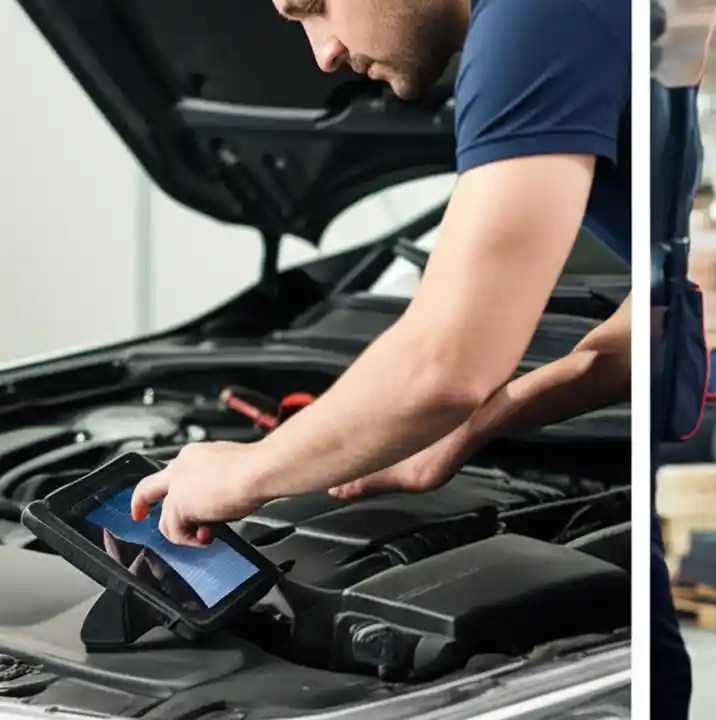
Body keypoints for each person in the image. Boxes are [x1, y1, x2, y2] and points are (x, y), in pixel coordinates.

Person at [130, 0, 631, 555]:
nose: (324, 55)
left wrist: (247, 471)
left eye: (314, 7)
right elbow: (658, 322)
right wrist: (473, 427)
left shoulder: (535, 23)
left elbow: (445, 366)